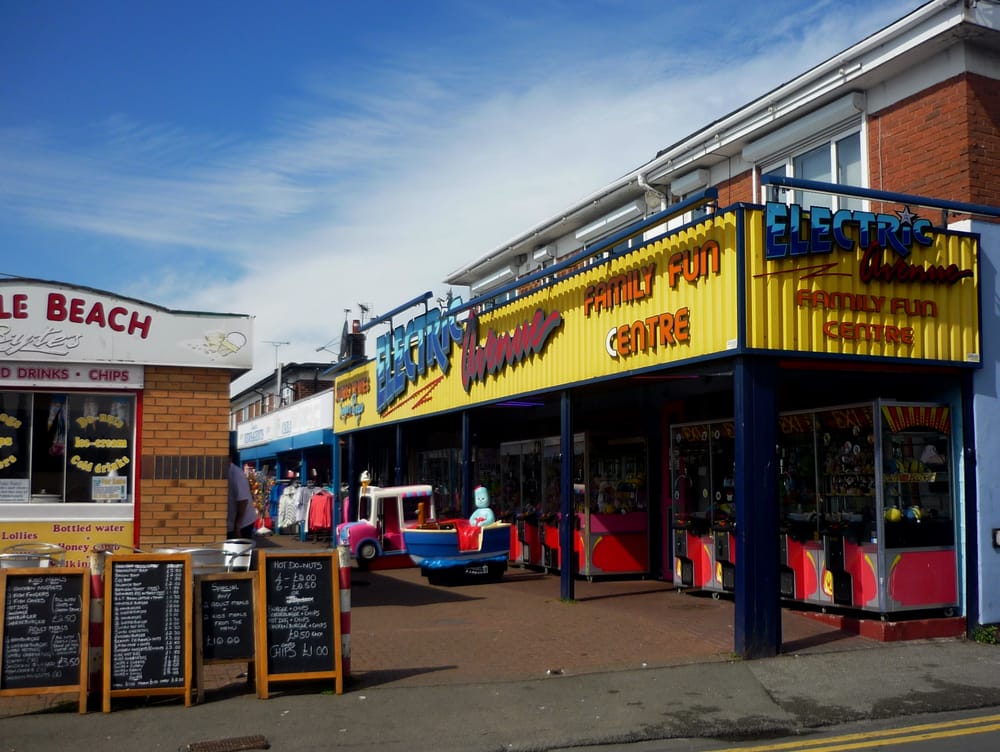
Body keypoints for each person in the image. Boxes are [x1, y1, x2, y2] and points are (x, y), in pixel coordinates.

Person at [227, 448, 257, 539]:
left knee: (240, 550)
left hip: (244, 523)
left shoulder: (236, 474)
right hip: (231, 521)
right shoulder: (224, 471)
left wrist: (237, 526)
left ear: (230, 458)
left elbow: (243, 501)